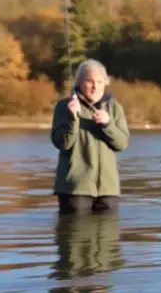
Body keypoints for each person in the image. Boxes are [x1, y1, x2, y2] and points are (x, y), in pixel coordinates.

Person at [50, 58, 131, 214]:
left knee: (108, 237)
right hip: (75, 190)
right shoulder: (64, 106)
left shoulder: (114, 107)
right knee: (75, 236)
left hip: (108, 190)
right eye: (89, 81)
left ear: (105, 84)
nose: (95, 86)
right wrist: (72, 119)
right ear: (79, 82)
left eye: (100, 82)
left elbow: (122, 144)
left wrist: (108, 125)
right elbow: (62, 143)